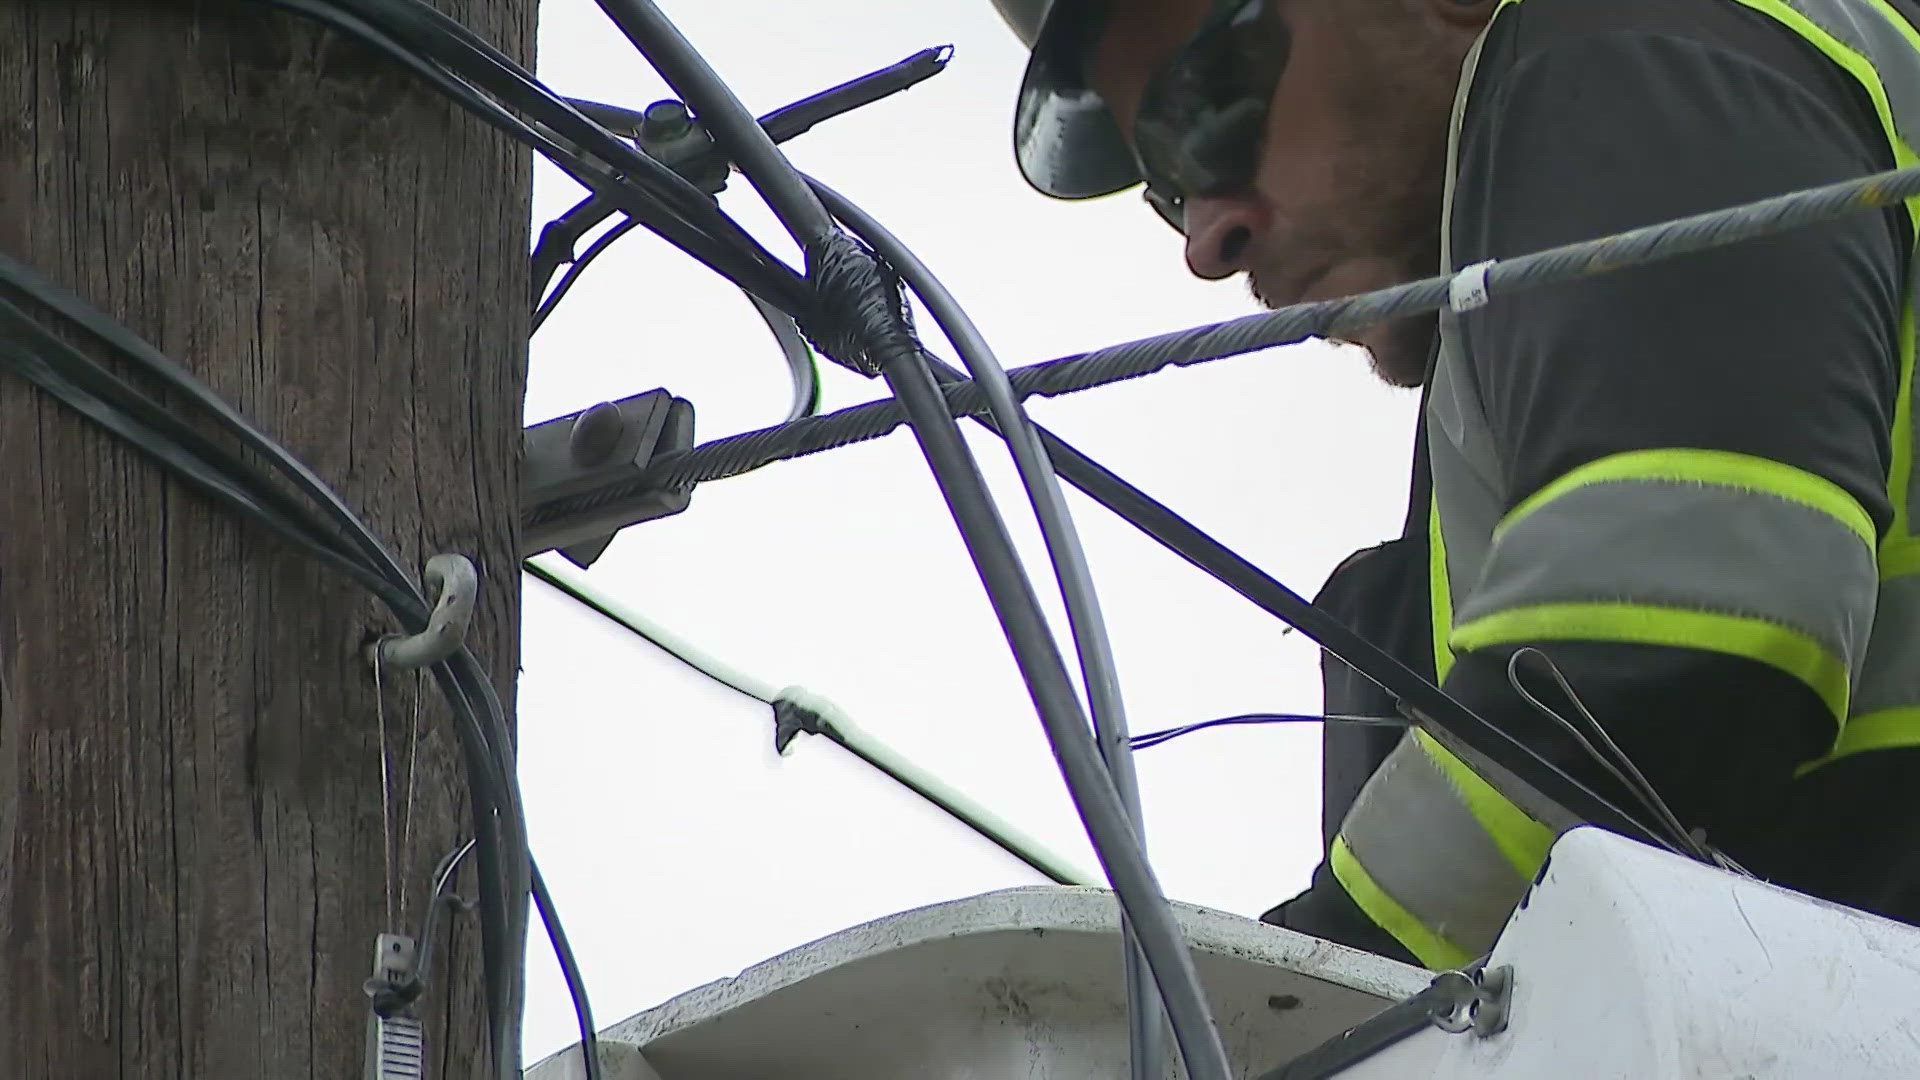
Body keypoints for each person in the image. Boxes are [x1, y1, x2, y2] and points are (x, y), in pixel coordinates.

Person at [991, 0, 1920, 968]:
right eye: (1170, 186)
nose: (1205, 240)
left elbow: (1686, 628)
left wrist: (1294, 1006)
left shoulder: (1622, 37)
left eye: (1208, 108)